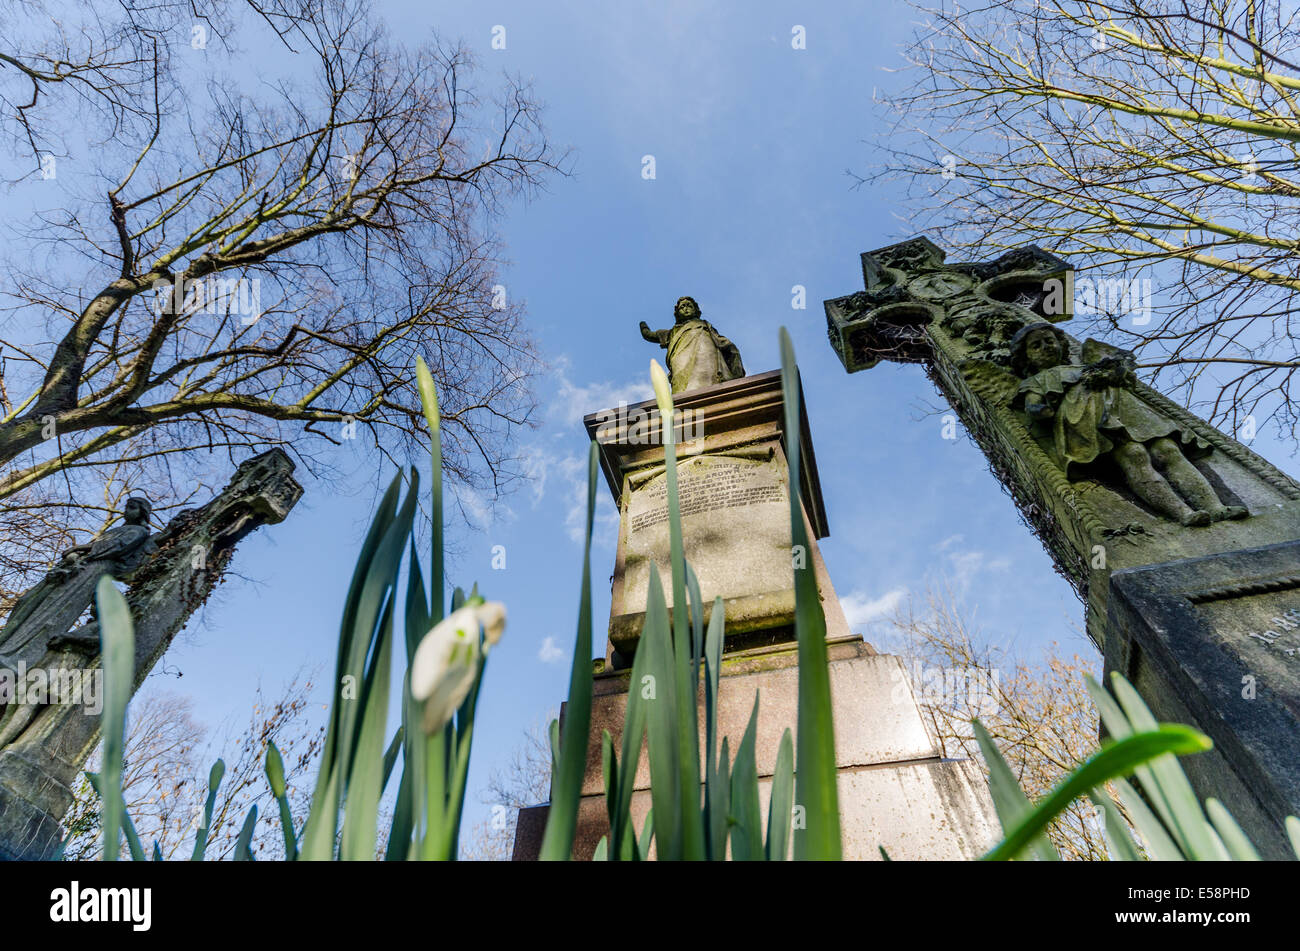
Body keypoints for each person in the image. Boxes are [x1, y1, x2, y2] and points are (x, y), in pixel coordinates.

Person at [1009, 323, 1247, 527]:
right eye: (1036, 346)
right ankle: (1183, 513)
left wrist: (1116, 370)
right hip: (1086, 417)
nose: (1045, 348)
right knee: (1134, 456)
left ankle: (1215, 507)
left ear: (1060, 343)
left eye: (1049, 341)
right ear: (1026, 357)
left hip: (1126, 409)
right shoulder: (1037, 380)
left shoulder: (1084, 365)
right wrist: (1042, 410)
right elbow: (1033, 405)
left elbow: (1125, 374)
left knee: (1168, 450)